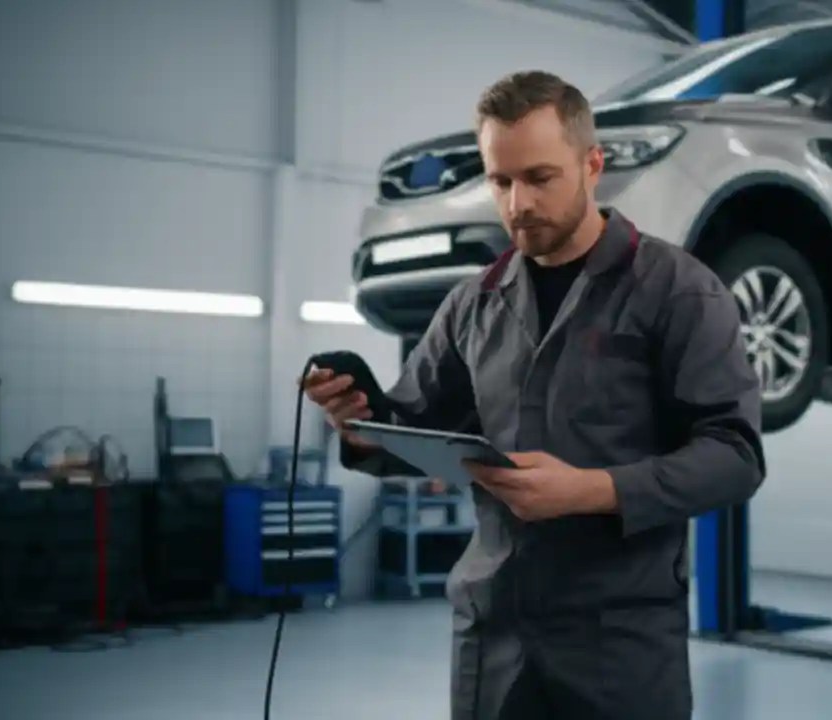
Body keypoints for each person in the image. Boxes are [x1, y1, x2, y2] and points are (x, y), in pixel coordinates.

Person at [303, 70, 766, 720]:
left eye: (540, 178)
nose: (518, 203)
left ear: (592, 165)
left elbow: (735, 456)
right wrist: (363, 421)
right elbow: (414, 432)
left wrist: (592, 490)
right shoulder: (473, 303)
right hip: (492, 635)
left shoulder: (679, 291)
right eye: (501, 180)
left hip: (619, 642)